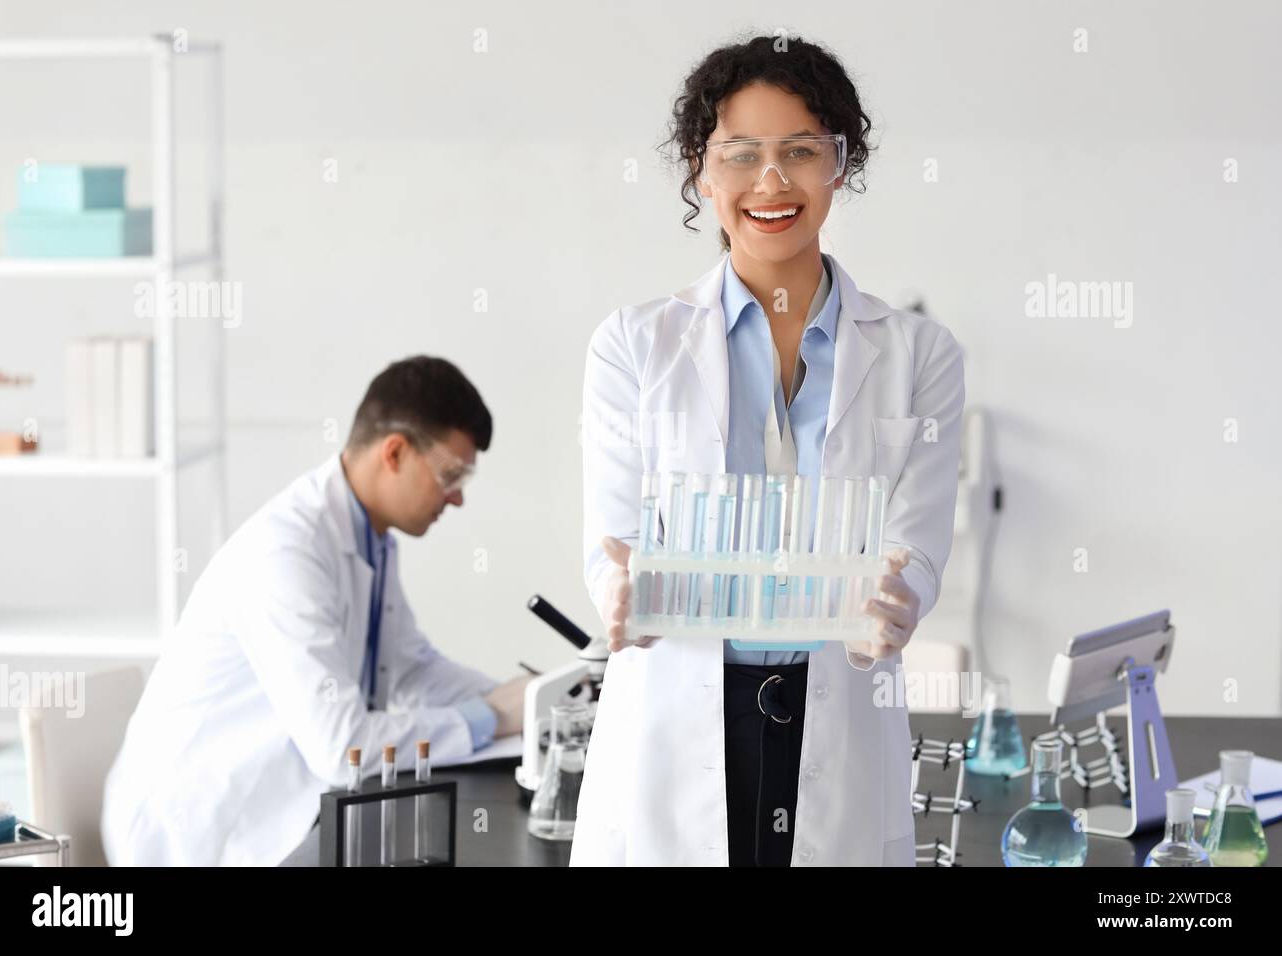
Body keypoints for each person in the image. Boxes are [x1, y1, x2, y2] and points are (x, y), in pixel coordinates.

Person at [574, 35, 965, 866]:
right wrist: (618, 589)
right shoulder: (634, 345)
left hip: (841, 707)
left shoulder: (920, 355)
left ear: (839, 164)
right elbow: (613, 539)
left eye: (800, 152)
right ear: (701, 170)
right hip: (680, 710)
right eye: (741, 154)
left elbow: (919, 539)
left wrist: (905, 596)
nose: (771, 182)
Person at [103, 356, 528, 866]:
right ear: (395, 452)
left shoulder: (369, 538)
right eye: (451, 474)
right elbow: (342, 746)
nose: (457, 499)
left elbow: (411, 668)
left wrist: (528, 700)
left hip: (286, 814)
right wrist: (490, 716)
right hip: (193, 837)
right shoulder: (285, 553)